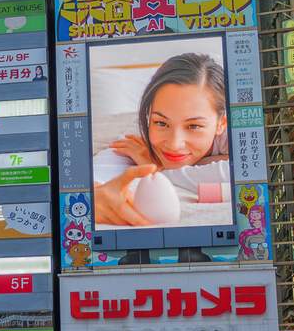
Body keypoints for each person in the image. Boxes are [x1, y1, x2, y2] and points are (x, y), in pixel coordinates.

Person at [93, 52, 229, 227]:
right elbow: (99, 175)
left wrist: (158, 171)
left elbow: (241, 172)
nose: (174, 144)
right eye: (162, 123)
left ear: (221, 123)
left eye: (193, 126)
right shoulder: (140, 132)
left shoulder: (238, 134)